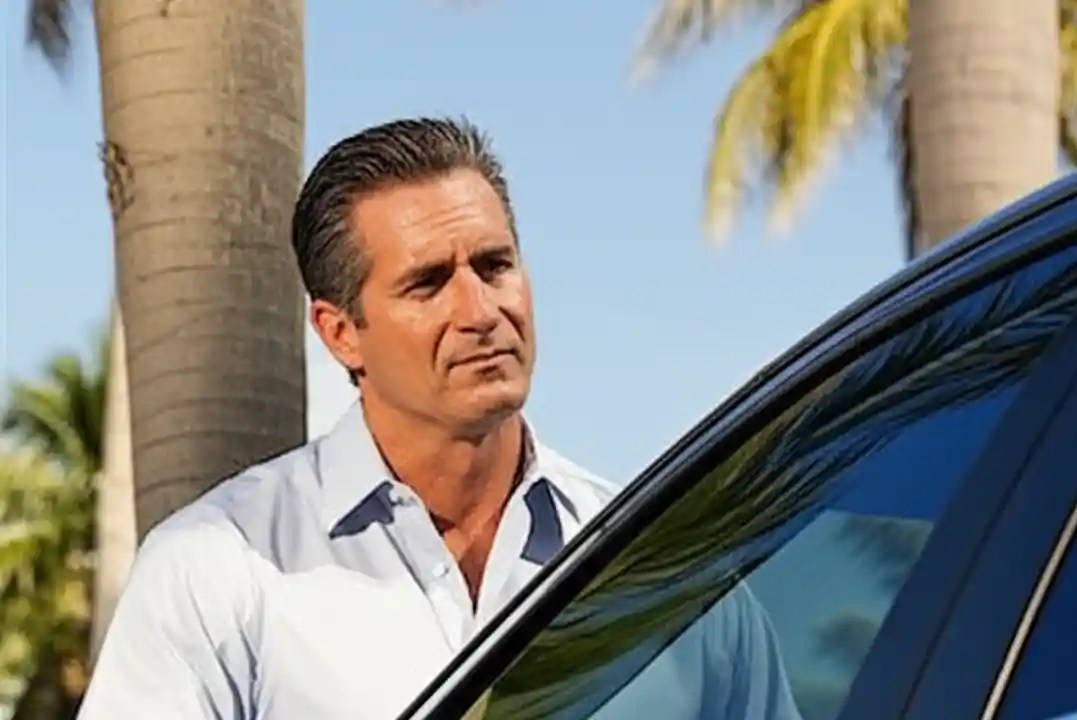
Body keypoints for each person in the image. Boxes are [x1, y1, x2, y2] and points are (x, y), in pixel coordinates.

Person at [76, 117, 799, 719]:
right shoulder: (217, 569)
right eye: (428, 284)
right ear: (339, 333)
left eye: (494, 266)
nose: (481, 312)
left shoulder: (664, 561)